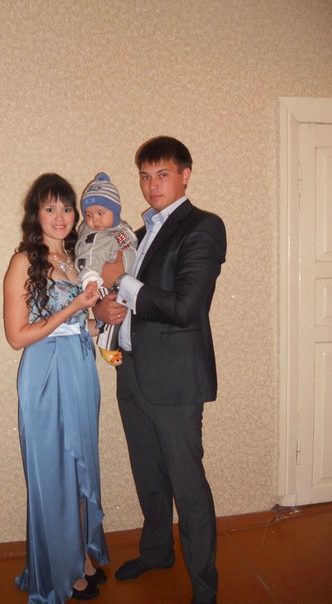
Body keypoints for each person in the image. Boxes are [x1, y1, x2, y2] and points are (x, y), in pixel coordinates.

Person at [94, 136, 226, 604]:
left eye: (163, 174)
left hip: (175, 381)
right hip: (131, 371)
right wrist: (107, 308)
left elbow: (187, 306)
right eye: (145, 176)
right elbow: (121, 295)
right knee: (147, 474)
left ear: (185, 175)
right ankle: (156, 552)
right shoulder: (136, 233)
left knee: (188, 487)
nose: (152, 185)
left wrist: (124, 284)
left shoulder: (204, 227)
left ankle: (205, 587)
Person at [3, 173, 109, 603]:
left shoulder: (76, 258)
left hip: (80, 368)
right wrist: (75, 308)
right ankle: (61, 572)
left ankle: (80, 555)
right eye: (50, 208)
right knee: (54, 473)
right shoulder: (23, 262)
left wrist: (102, 319)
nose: (61, 216)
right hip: (46, 374)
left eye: (67, 208)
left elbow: (82, 320)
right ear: (36, 214)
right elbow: (17, 336)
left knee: (80, 464)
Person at [75, 172, 137, 366]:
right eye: (88, 215)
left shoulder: (118, 229)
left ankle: (115, 341)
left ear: (115, 212)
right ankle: (107, 345)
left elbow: (130, 242)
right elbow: (89, 255)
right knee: (114, 312)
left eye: (100, 213)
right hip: (99, 283)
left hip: (123, 282)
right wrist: (91, 278)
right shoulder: (95, 235)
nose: (94, 220)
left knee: (121, 313)